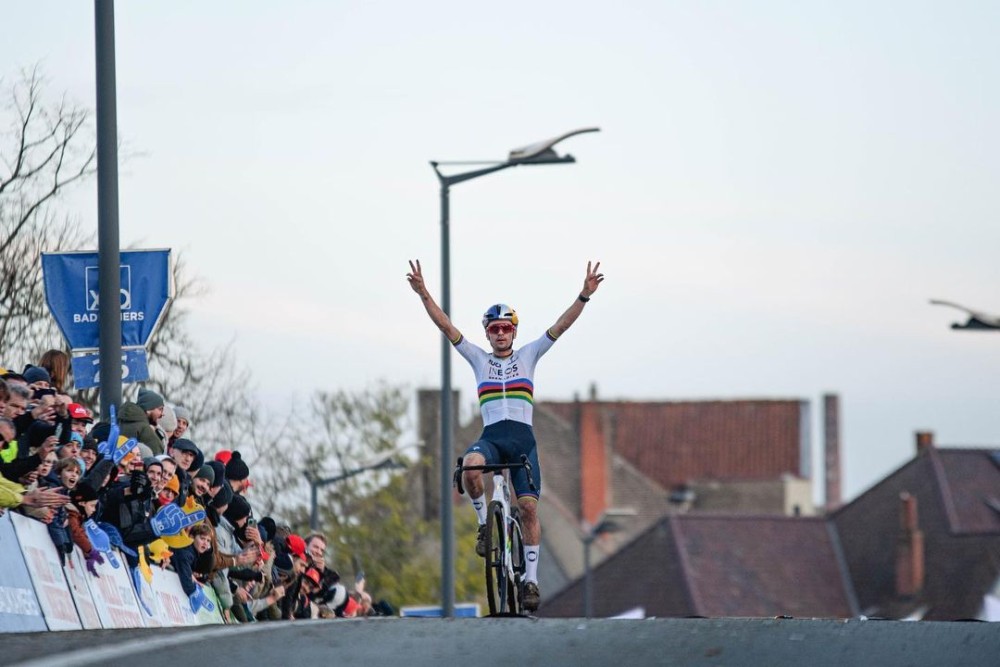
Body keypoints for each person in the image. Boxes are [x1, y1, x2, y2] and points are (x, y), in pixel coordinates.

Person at [406, 258, 605, 612]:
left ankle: (530, 580)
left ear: (514, 331)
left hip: (523, 442)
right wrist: (423, 293)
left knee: (528, 508)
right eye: (494, 329)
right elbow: (445, 325)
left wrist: (584, 296)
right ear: (487, 333)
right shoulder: (478, 360)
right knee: (469, 467)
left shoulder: (529, 355)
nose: (500, 334)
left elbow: (561, 325)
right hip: (493, 439)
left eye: (506, 328)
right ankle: (485, 525)